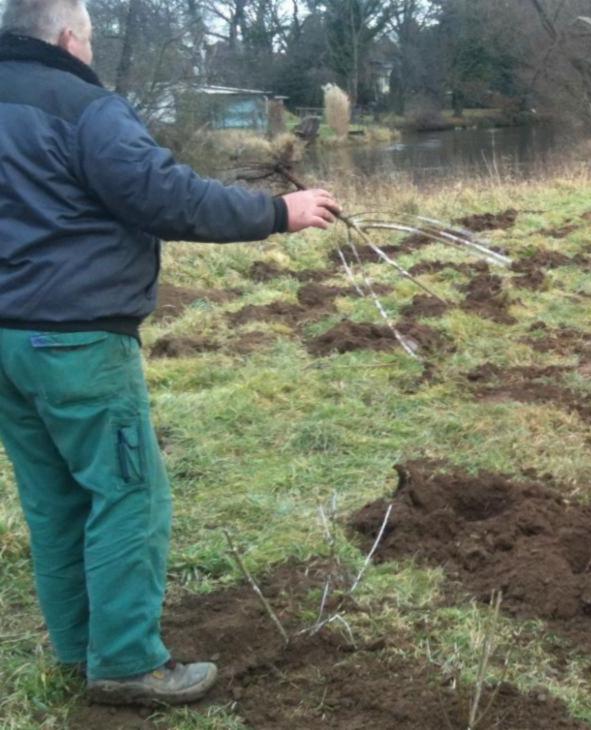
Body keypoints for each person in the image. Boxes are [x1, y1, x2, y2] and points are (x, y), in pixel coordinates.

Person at [0, 0, 340, 706]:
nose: (89, 50)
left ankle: (77, 648)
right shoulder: (82, 105)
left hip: (5, 343)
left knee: (52, 497)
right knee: (127, 493)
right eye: (89, 38)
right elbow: (165, 196)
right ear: (67, 37)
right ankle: (125, 661)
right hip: (76, 338)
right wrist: (281, 212)